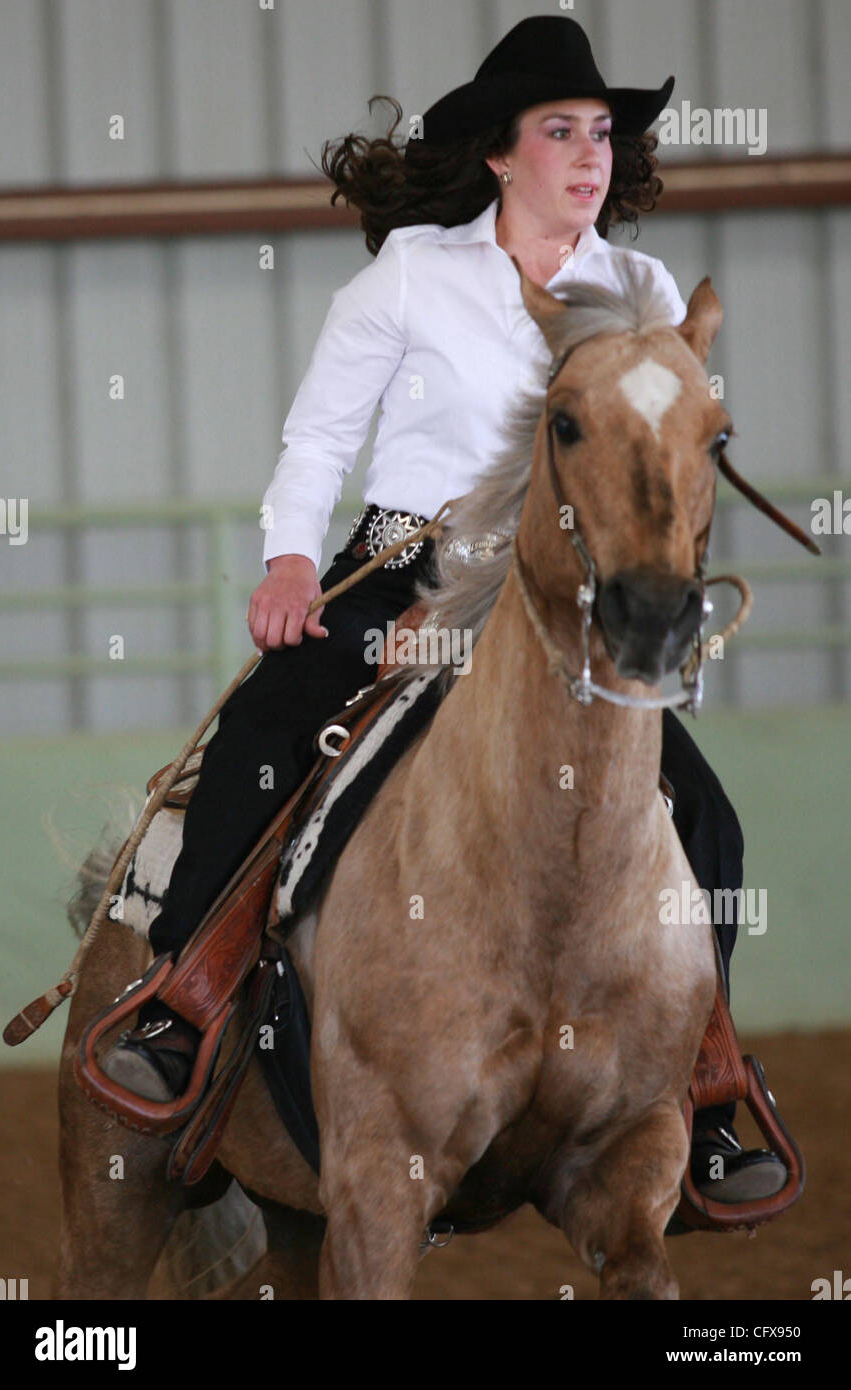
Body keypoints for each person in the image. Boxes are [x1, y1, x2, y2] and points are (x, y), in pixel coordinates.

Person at [104, 15, 785, 1206]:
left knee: (707, 823)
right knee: (266, 742)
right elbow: (317, 438)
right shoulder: (412, 274)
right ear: (497, 155)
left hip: (562, 601)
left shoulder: (639, 291)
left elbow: (661, 453)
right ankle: (187, 999)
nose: (589, 155)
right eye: (559, 131)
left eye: (601, 135)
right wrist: (286, 565)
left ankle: (703, 1076)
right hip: (405, 569)